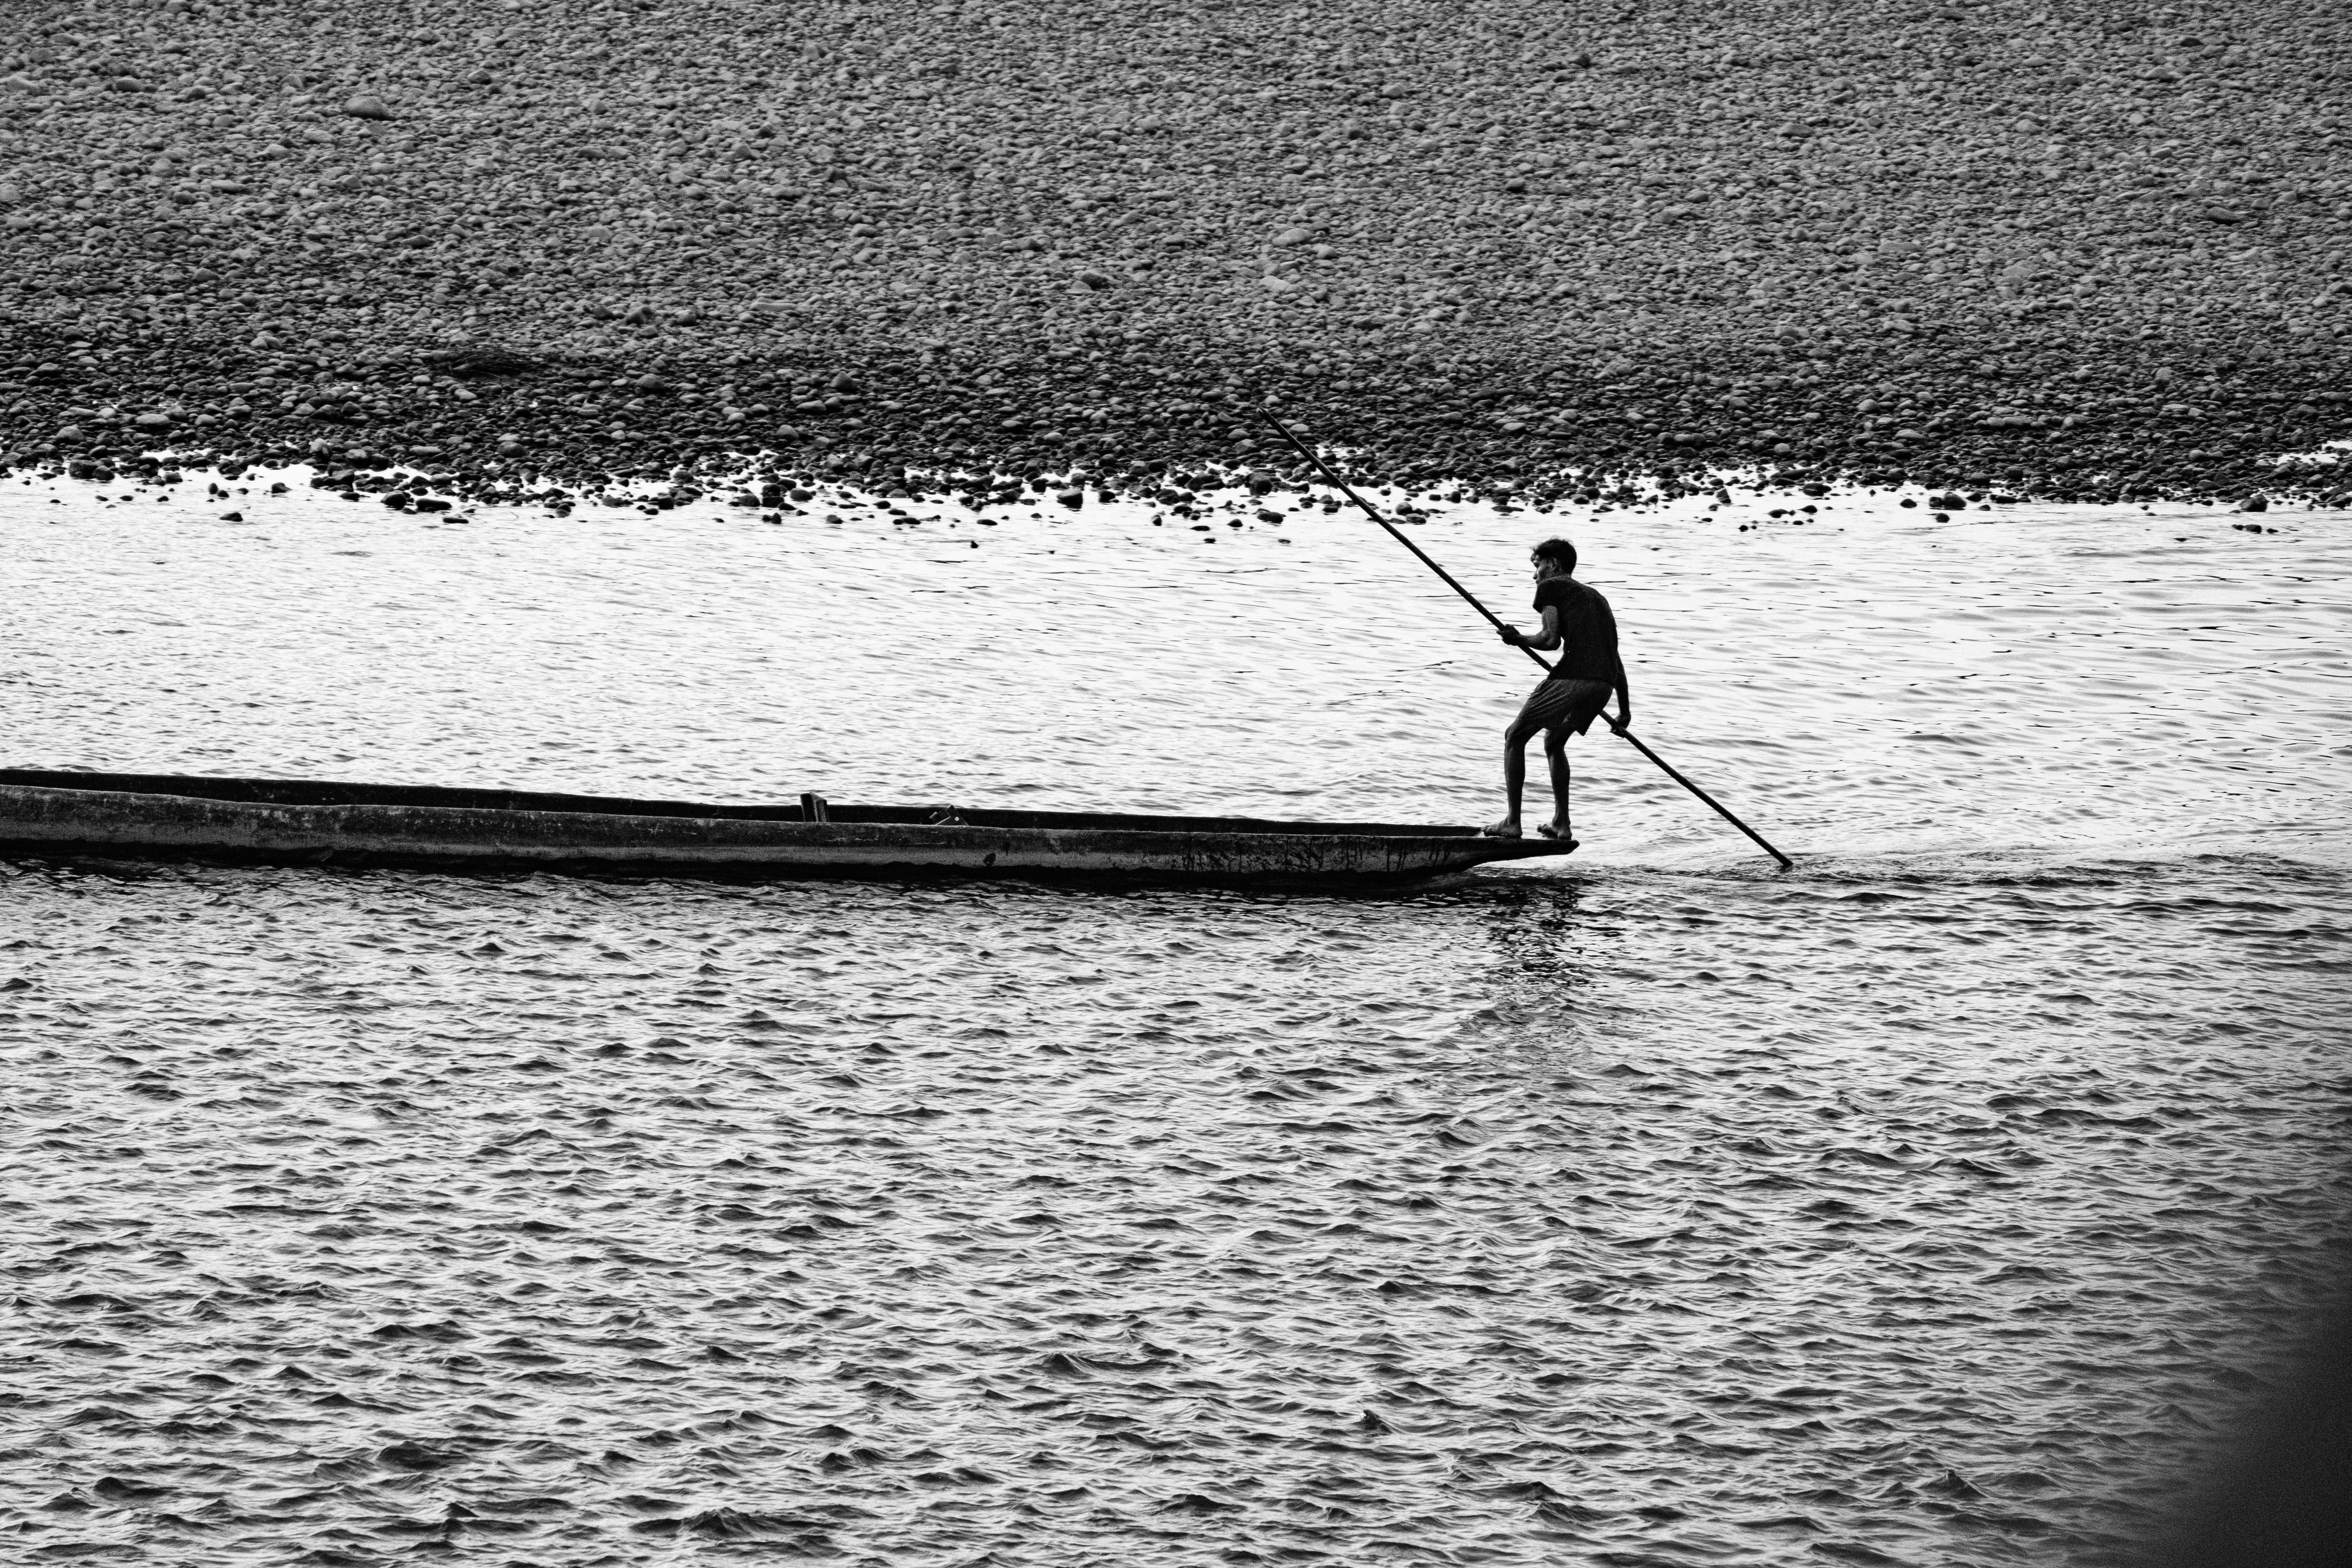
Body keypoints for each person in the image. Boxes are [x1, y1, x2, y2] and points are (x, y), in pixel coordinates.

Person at [1483, 537, 1630, 842]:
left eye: (1537, 567)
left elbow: (1551, 640)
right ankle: (1561, 824)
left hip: (1573, 678)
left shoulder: (1551, 587)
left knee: (1515, 736)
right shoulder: (1597, 597)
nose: (1535, 576)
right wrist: (1625, 710)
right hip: (1603, 685)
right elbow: (1614, 658)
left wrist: (1518, 639)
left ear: (1552, 564)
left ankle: (1512, 822)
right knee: (1554, 742)